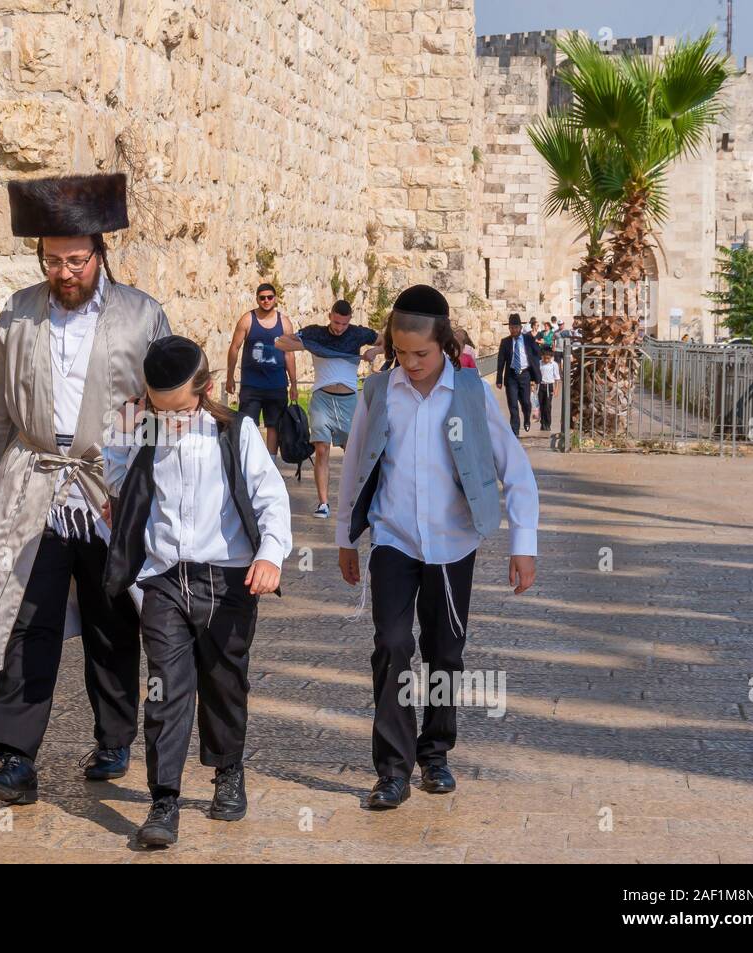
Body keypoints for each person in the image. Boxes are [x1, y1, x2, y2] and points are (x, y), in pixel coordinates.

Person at [0, 173, 172, 806]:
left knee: (112, 618)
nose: (64, 273)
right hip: (35, 484)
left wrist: (156, 487)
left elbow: (168, 400)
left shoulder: (142, 315)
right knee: (27, 615)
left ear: (100, 254)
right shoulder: (19, 313)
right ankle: (15, 758)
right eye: (53, 261)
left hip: (107, 487)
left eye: (75, 261)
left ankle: (114, 738)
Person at [335, 285, 539, 810]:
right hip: (394, 539)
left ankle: (436, 754)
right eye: (401, 353)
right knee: (393, 645)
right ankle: (393, 771)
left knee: (446, 652)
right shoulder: (379, 392)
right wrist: (345, 539)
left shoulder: (470, 394)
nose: (411, 363)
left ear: (444, 345)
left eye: (421, 353)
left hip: (453, 545)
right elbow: (355, 466)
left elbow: (513, 468)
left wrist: (524, 544)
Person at [101, 336, 292, 847]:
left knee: (225, 683)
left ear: (205, 391)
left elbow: (271, 498)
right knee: (164, 690)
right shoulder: (140, 430)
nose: (170, 422)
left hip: (227, 581)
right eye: (157, 410)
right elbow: (116, 476)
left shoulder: (236, 433)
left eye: (179, 411)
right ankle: (163, 801)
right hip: (164, 581)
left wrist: (271, 555)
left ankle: (228, 770)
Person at [273, 300, 380, 518]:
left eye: (343, 323)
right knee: (321, 449)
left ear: (349, 320)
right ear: (329, 315)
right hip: (321, 397)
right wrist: (307, 345)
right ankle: (323, 503)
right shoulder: (315, 333)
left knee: (353, 452)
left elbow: (389, 340)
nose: (339, 327)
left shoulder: (358, 334)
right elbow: (280, 343)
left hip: (348, 400)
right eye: (336, 321)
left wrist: (375, 351)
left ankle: (358, 499)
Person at [226, 283, 298, 454]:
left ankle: (270, 463)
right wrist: (230, 376)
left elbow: (289, 355)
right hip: (252, 385)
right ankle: (251, 461)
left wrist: (294, 384)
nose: (266, 301)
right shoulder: (247, 320)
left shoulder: (284, 323)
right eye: (262, 298)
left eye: (270, 297)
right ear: (257, 299)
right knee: (247, 426)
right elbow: (234, 347)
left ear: (275, 299)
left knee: (274, 427)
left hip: (277, 384)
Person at [495, 312, 542, 435]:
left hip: (525, 375)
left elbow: (537, 353)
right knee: (512, 404)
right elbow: (501, 361)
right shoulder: (505, 342)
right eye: (511, 328)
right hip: (511, 376)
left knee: (526, 402)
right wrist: (499, 379)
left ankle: (527, 419)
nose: (513, 330)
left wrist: (535, 370)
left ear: (520, 328)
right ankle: (515, 431)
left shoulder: (528, 339)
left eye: (515, 327)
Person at [537, 346, 560, 432]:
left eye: (548, 358)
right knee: (541, 406)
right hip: (540, 386)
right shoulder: (539, 363)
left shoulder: (554, 364)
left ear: (551, 357)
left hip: (549, 387)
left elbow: (557, 378)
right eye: (545, 358)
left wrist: (556, 390)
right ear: (542, 356)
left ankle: (548, 424)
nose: (546, 360)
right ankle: (542, 423)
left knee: (547, 406)